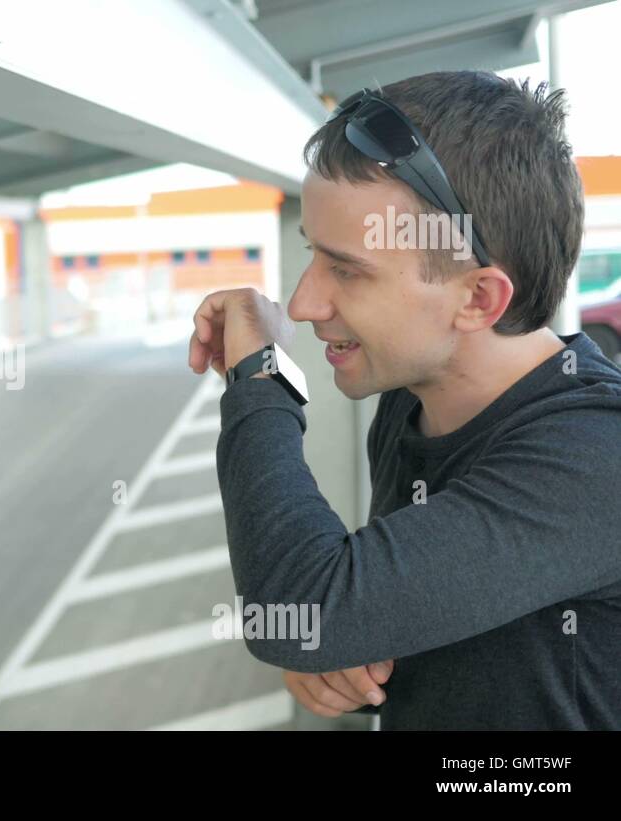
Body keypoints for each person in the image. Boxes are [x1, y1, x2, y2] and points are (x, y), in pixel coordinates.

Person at [188, 70, 621, 729]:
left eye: (347, 269)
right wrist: (347, 643)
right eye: (313, 253)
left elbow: (303, 605)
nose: (302, 304)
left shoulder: (594, 460)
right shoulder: (409, 404)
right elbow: (362, 612)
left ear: (478, 298)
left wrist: (261, 377)